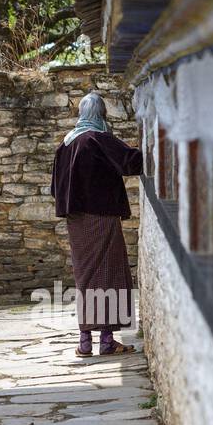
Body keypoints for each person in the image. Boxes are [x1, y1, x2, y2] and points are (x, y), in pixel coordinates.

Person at [50, 92, 143, 357]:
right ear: (101, 114)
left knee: (86, 276)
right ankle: (106, 341)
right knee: (109, 275)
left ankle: (84, 342)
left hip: (75, 221)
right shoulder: (98, 139)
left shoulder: (65, 144)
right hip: (101, 217)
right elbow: (131, 162)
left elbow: (55, 189)